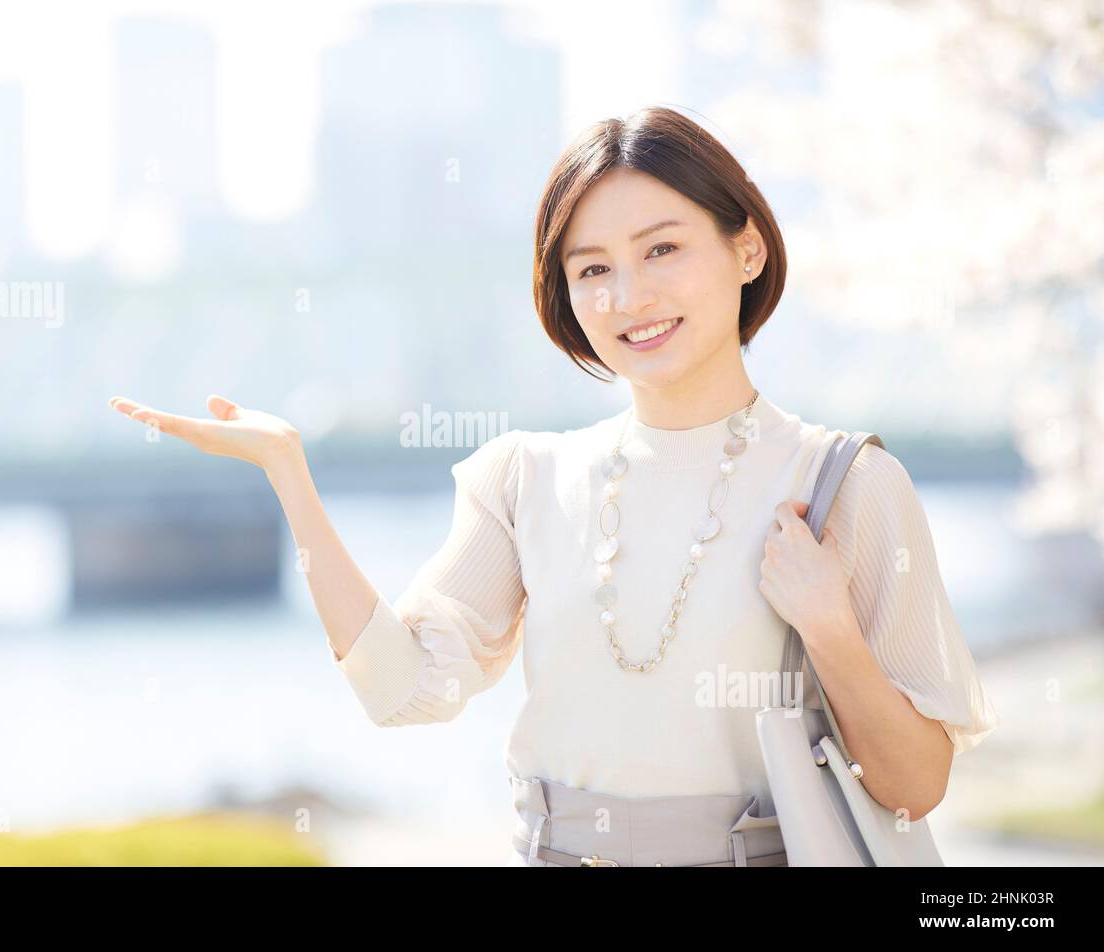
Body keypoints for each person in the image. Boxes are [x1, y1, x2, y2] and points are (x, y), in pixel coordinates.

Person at [108, 105, 999, 867]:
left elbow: (915, 789)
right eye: (593, 269)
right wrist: (290, 475)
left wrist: (830, 628)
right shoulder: (525, 479)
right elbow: (402, 690)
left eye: (662, 249)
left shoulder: (847, 482)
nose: (629, 297)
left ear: (748, 248)